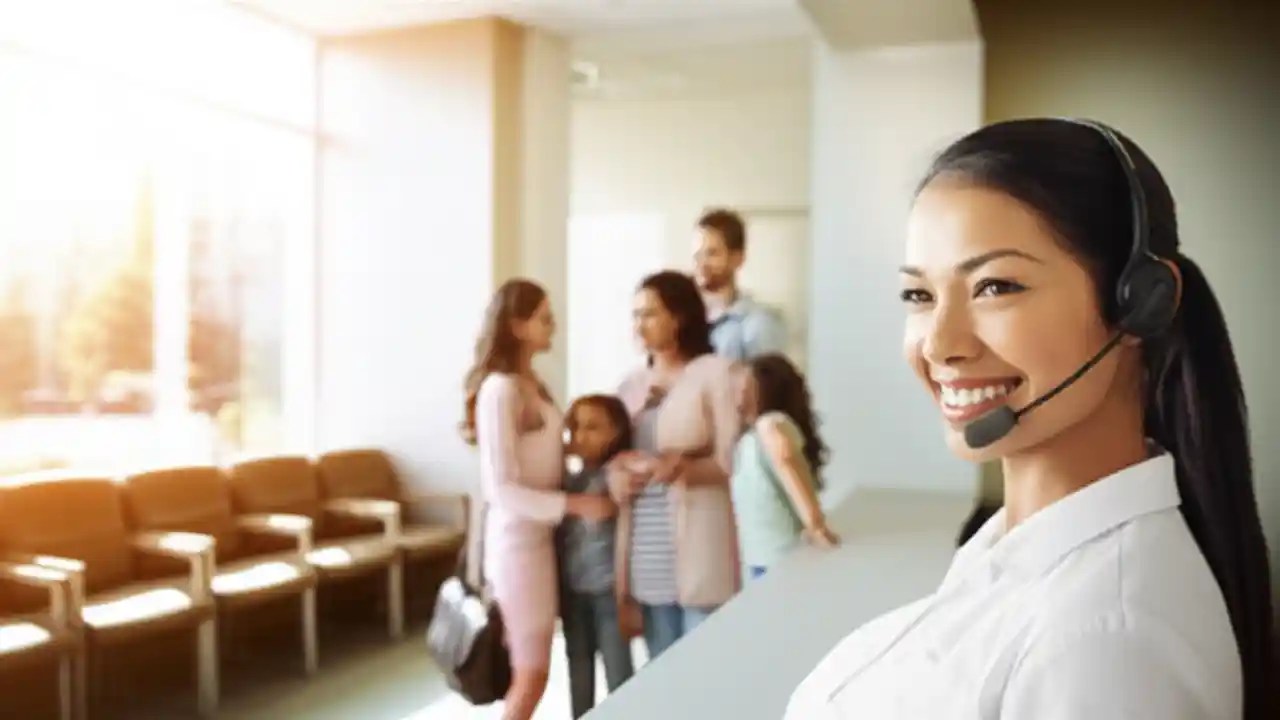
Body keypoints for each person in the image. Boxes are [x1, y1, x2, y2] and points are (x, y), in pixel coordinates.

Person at [785, 119, 1275, 719]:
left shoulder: (1108, 648)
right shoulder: (1021, 548)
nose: (940, 344)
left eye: (995, 286)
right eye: (920, 295)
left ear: (1139, 305)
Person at [461, 279, 616, 720]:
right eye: (544, 318)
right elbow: (501, 488)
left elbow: (546, 457)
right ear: (517, 325)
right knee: (531, 675)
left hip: (543, 542)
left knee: (533, 673)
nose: (554, 326)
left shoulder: (535, 384)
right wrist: (576, 506)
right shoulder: (500, 390)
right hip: (516, 546)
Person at [609, 270, 741, 660]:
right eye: (635, 315)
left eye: (649, 314)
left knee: (703, 674)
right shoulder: (629, 386)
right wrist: (616, 476)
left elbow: (729, 461)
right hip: (645, 554)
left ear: (679, 317)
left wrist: (682, 468)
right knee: (659, 676)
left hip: (699, 546)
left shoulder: (717, 373)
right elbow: (613, 456)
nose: (639, 325)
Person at [557, 394, 636, 718]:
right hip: (573, 593)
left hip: (608, 593)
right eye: (575, 428)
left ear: (615, 432)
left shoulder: (616, 475)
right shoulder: (567, 481)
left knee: (619, 674)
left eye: (592, 428)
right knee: (578, 670)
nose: (581, 437)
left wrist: (625, 595)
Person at [732, 352, 839, 580]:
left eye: (747, 386)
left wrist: (816, 525)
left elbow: (787, 461)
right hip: (764, 560)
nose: (739, 393)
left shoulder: (771, 425)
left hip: (778, 562)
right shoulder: (752, 437)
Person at [693, 208, 786, 361]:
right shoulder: (684, 318)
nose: (702, 263)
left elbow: (770, 383)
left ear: (737, 259)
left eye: (712, 253)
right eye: (697, 255)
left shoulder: (758, 323)